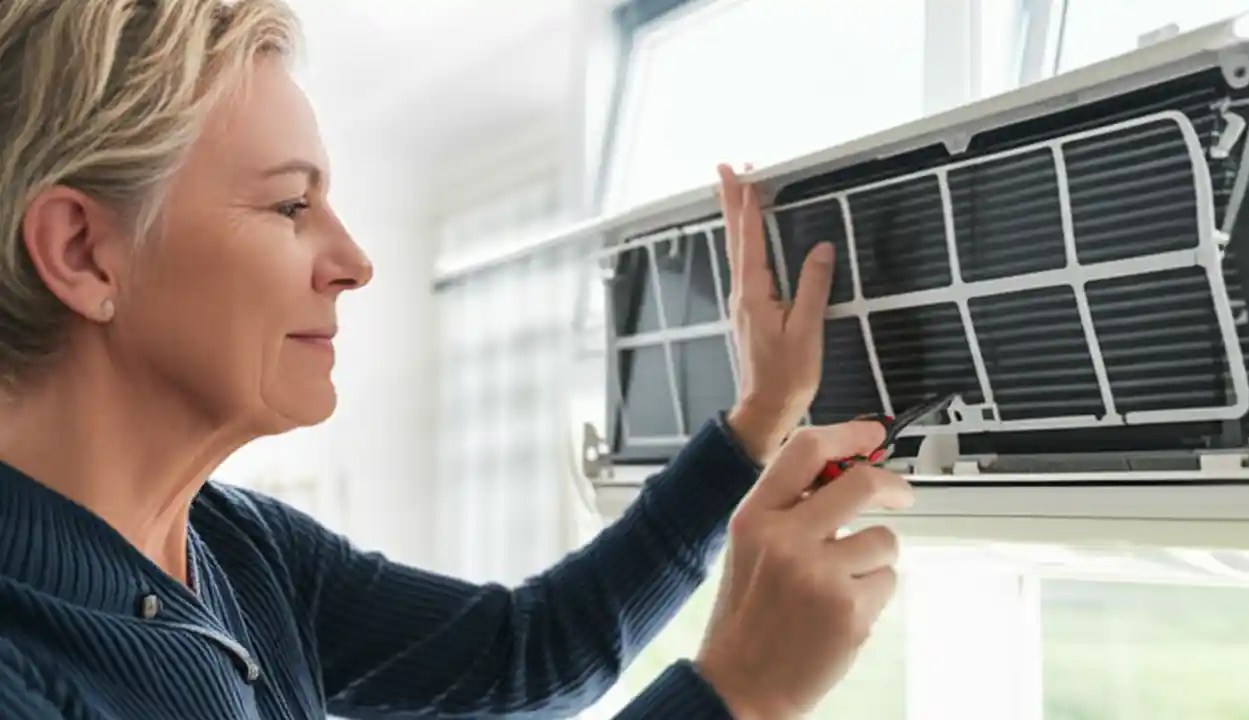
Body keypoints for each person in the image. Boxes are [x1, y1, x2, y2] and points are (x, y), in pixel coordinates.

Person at [0, 1, 913, 718]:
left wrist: (753, 426)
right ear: (84, 253)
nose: (355, 263)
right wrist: (740, 694)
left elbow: (533, 649)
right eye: (289, 207)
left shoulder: (240, 552)